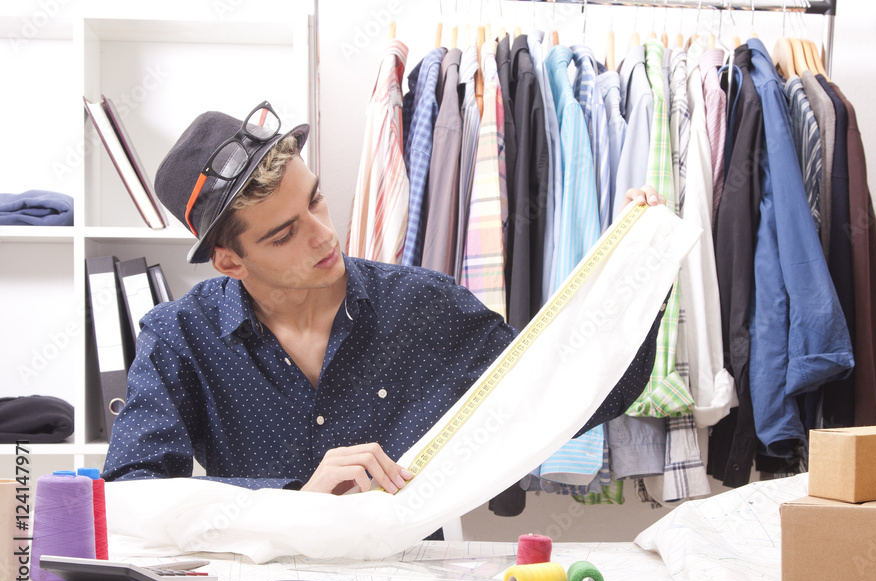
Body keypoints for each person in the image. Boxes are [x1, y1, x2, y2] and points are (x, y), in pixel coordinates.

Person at [102, 101, 669, 496]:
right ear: (230, 260)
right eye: (283, 234)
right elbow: (135, 491)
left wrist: (639, 270)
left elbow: (568, 393)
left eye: (316, 201)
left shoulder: (424, 306)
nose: (324, 234)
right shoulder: (179, 338)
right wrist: (294, 497)